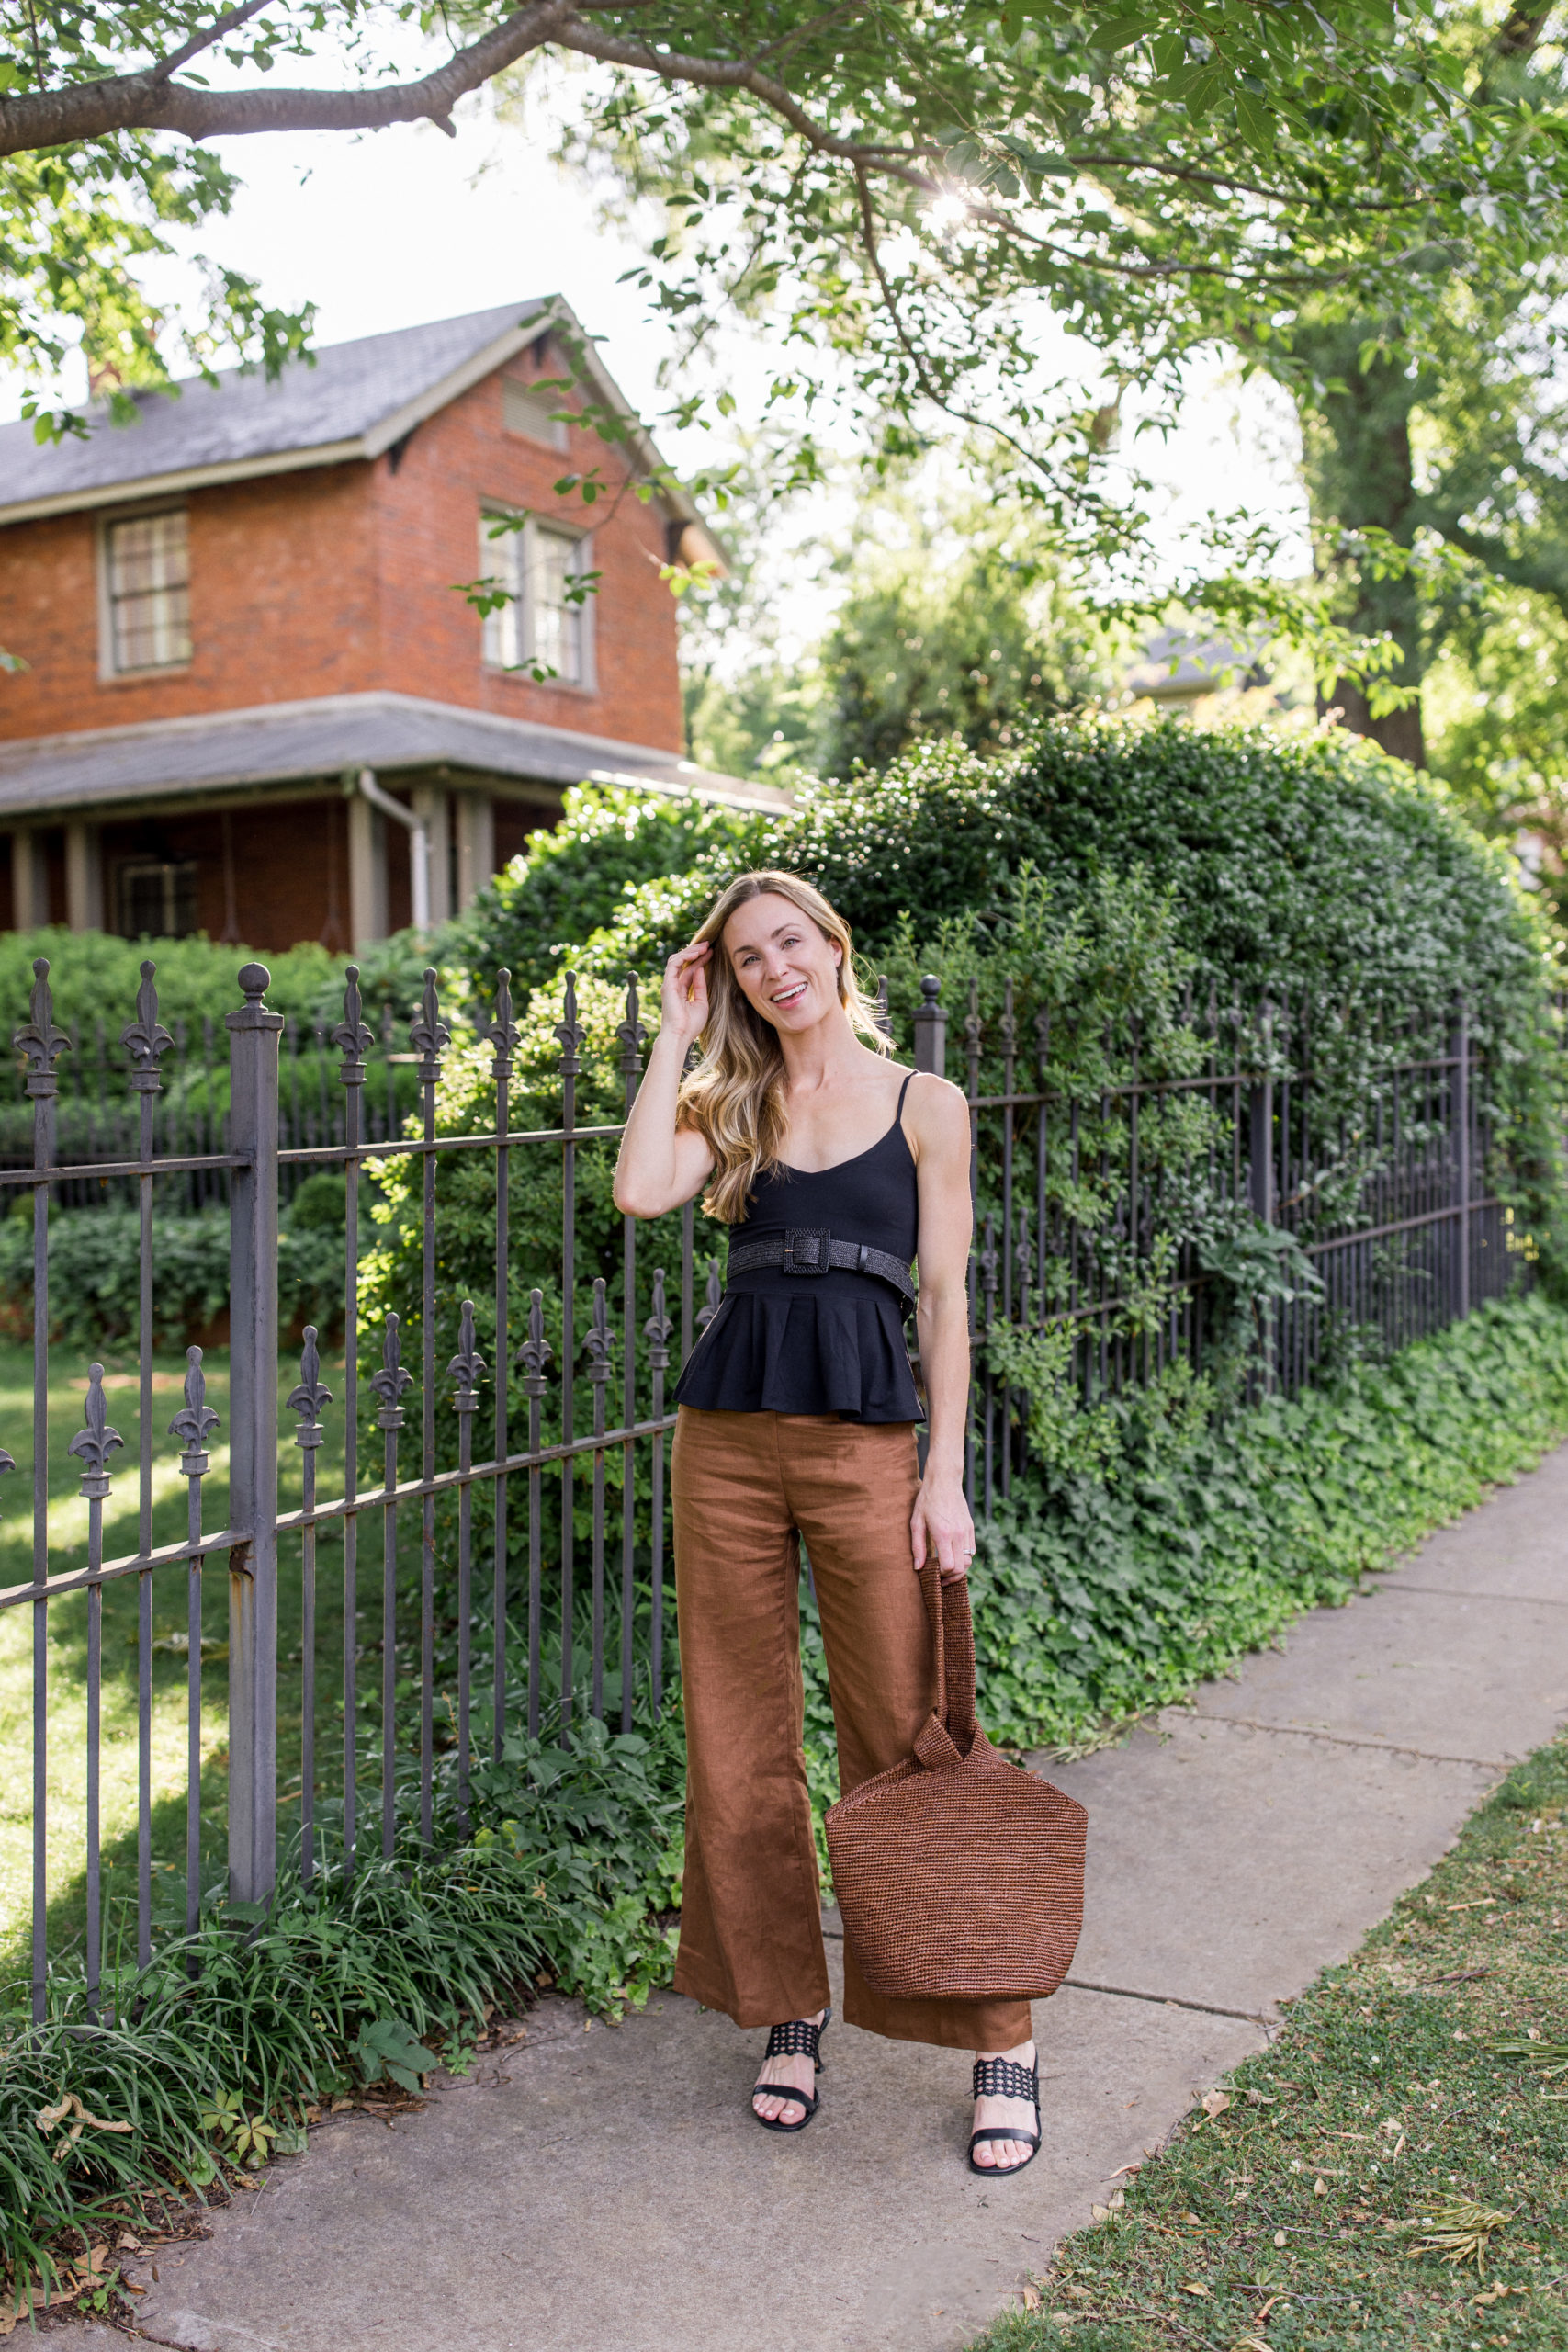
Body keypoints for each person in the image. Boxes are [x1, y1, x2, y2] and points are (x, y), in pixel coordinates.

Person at [613, 869, 1040, 2175]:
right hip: (727, 1445)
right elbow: (641, 1190)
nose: (774, 969)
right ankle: (787, 2011)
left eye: (788, 942)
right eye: (747, 957)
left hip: (867, 1445)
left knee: (907, 1734)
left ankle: (998, 2036)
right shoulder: (729, 1099)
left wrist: (944, 1476)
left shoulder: (926, 1104)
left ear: (835, 948)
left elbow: (948, 1299)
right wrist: (676, 1029)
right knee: (737, 1739)